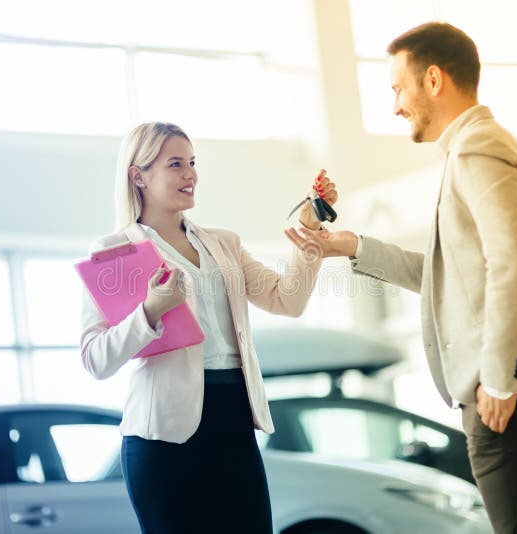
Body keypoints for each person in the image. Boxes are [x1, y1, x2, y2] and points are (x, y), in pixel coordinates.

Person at [284, 22, 517, 533]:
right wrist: (351, 246)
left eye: (398, 88)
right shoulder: (468, 151)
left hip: (513, 396)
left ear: (432, 79)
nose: (396, 105)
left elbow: (513, 265)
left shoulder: (476, 150)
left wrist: (498, 377)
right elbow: (448, 276)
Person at [80, 122, 337, 534]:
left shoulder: (223, 244)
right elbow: (95, 358)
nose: (191, 174)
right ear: (138, 175)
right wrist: (149, 312)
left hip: (233, 422)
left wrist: (308, 229)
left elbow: (287, 299)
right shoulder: (114, 251)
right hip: (163, 441)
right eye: (176, 164)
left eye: (193, 163)